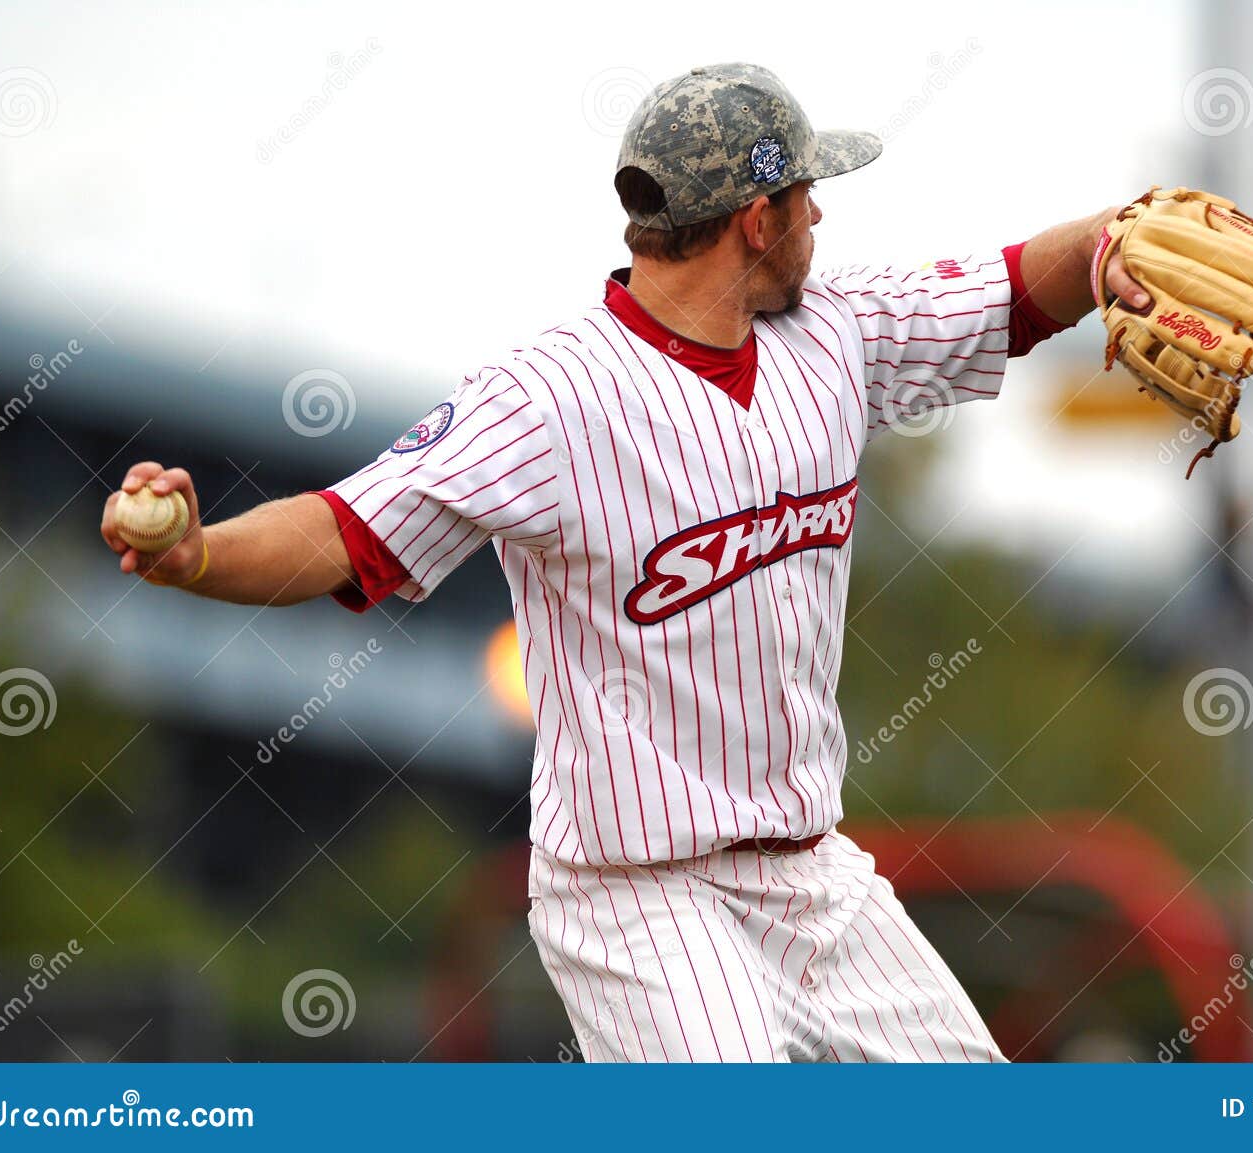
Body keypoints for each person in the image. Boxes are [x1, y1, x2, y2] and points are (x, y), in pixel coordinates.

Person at [101, 62, 1151, 1062]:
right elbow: (346, 529)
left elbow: (1016, 288)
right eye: (806, 195)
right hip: (639, 894)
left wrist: (1116, 239)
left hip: (814, 875)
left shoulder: (835, 335)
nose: (820, 216)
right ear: (757, 218)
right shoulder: (547, 399)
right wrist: (199, 553)